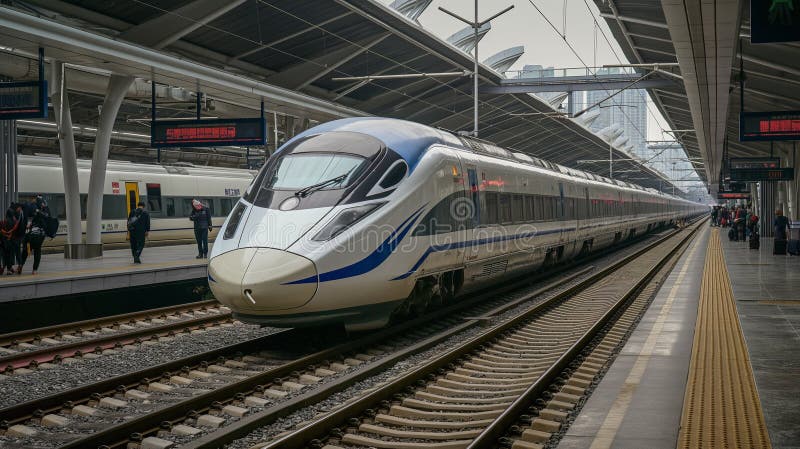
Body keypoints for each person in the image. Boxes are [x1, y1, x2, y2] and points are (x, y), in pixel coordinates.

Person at [19, 203, 47, 274]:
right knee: (37, 253)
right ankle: (34, 270)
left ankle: (21, 265)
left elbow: (30, 226)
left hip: (30, 238)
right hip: (39, 239)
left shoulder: (35, 217)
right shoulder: (44, 216)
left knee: (25, 251)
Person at [0, 208, 16, 275]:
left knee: (4, 255)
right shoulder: (13, 222)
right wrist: (9, 235)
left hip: (4, 241)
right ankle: (9, 269)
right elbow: (14, 231)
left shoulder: (4, 221)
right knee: (9, 255)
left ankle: (2, 268)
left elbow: (1, 230)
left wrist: (5, 234)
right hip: (10, 241)